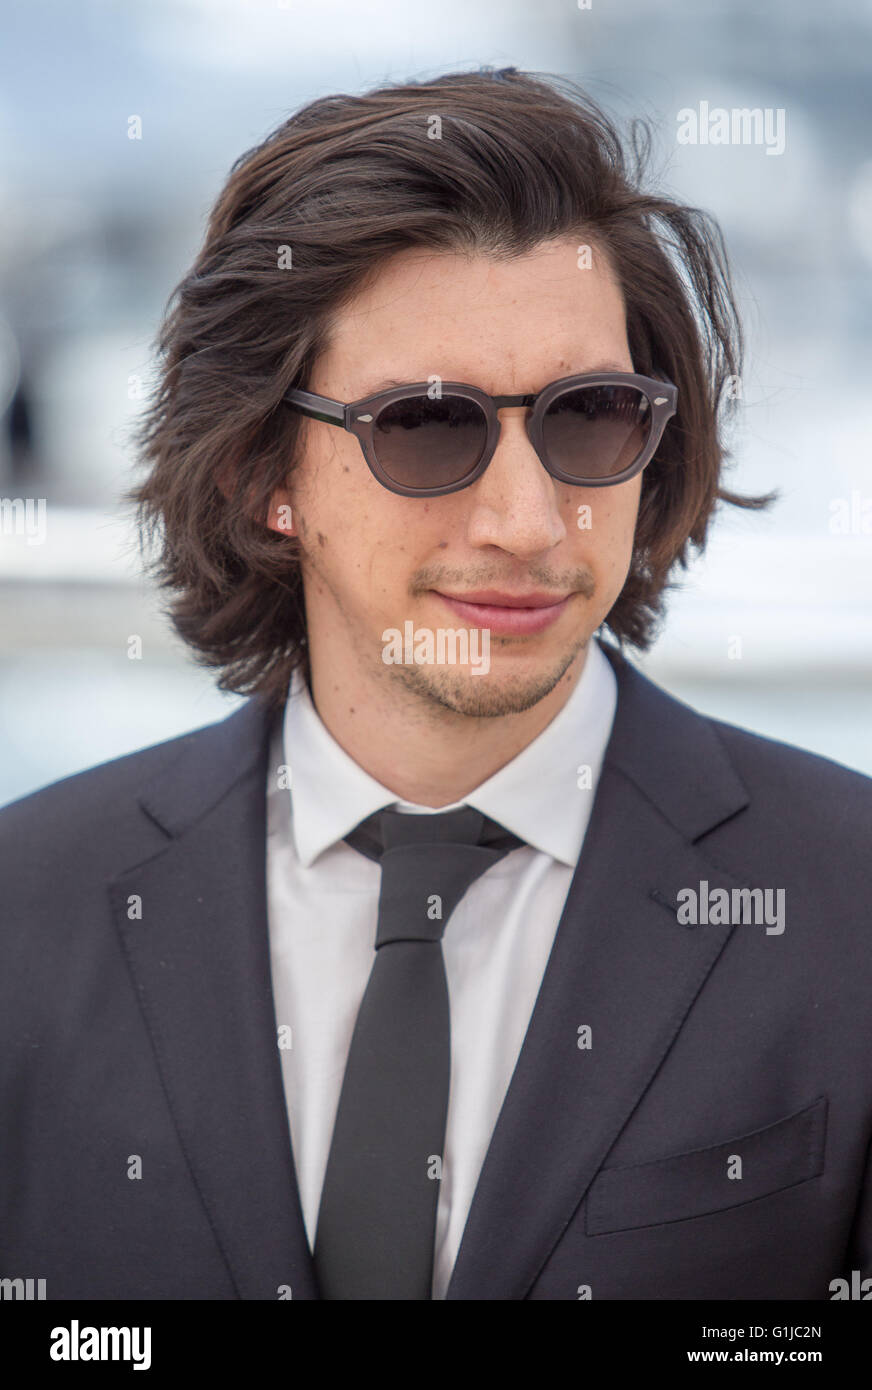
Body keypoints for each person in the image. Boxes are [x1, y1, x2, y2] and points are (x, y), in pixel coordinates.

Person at [1, 67, 870, 1302]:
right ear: (263, 471)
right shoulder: (23, 913)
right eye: (424, 426)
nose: (526, 520)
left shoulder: (847, 903)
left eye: (593, 414)